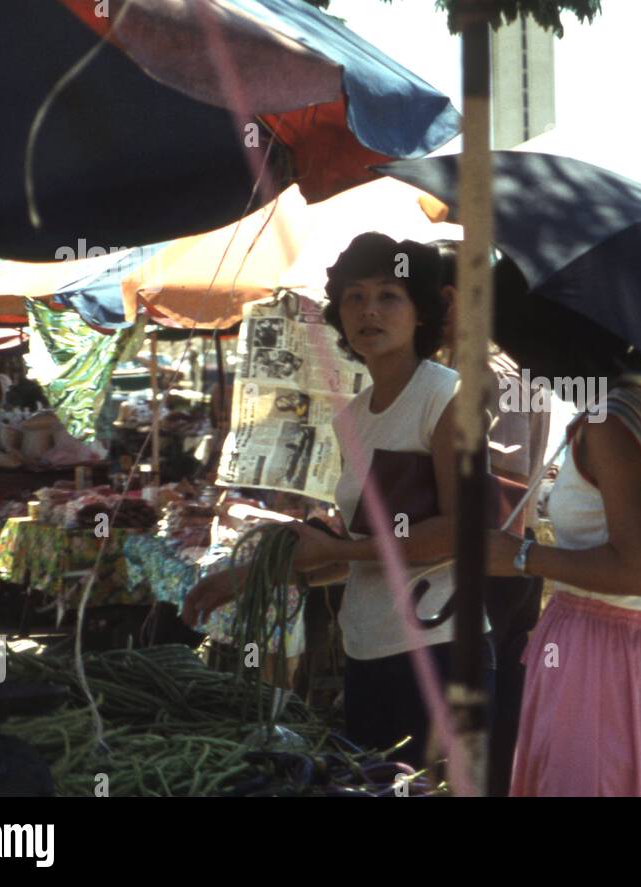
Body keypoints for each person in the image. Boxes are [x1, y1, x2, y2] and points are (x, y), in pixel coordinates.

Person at [182, 232, 490, 768]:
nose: (369, 310)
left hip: (439, 651)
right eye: (355, 296)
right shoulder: (352, 417)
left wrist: (339, 552)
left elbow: (462, 532)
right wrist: (246, 579)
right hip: (367, 652)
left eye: (389, 295)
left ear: (421, 312)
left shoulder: (446, 396)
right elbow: (360, 555)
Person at [485, 276, 641, 796]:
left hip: (597, 654)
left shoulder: (609, 426)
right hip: (633, 647)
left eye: (523, 351)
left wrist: (523, 557)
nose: (528, 370)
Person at [428, 240, 552, 796]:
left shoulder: (484, 372)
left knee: (483, 727)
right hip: (508, 566)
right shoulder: (495, 365)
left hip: (492, 570)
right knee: (496, 722)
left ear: (451, 299)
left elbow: (500, 484)